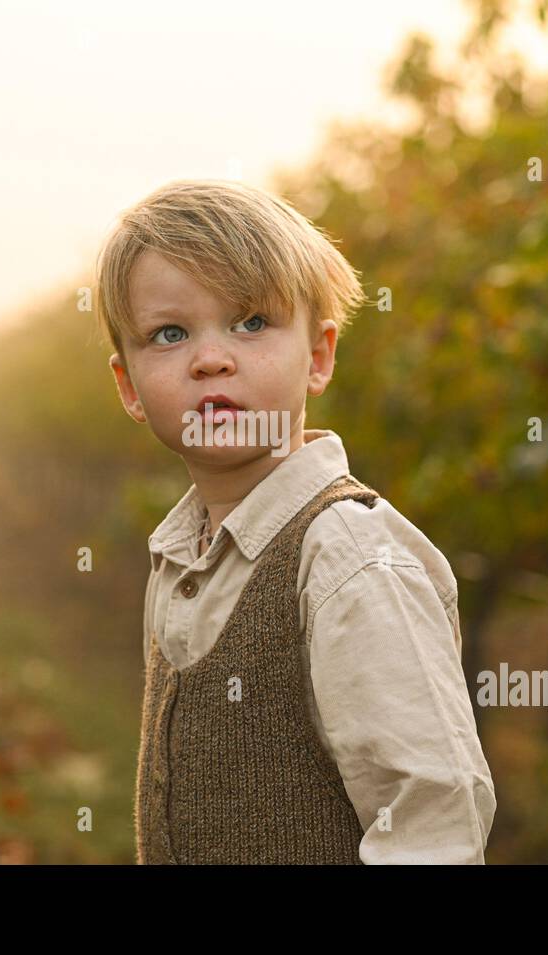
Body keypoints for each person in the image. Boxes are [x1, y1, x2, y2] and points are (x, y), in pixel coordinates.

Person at [92, 178, 495, 864]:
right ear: (129, 387)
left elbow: (432, 823)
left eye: (251, 322)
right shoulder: (179, 556)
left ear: (318, 357)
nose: (211, 356)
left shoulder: (346, 554)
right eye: (169, 333)